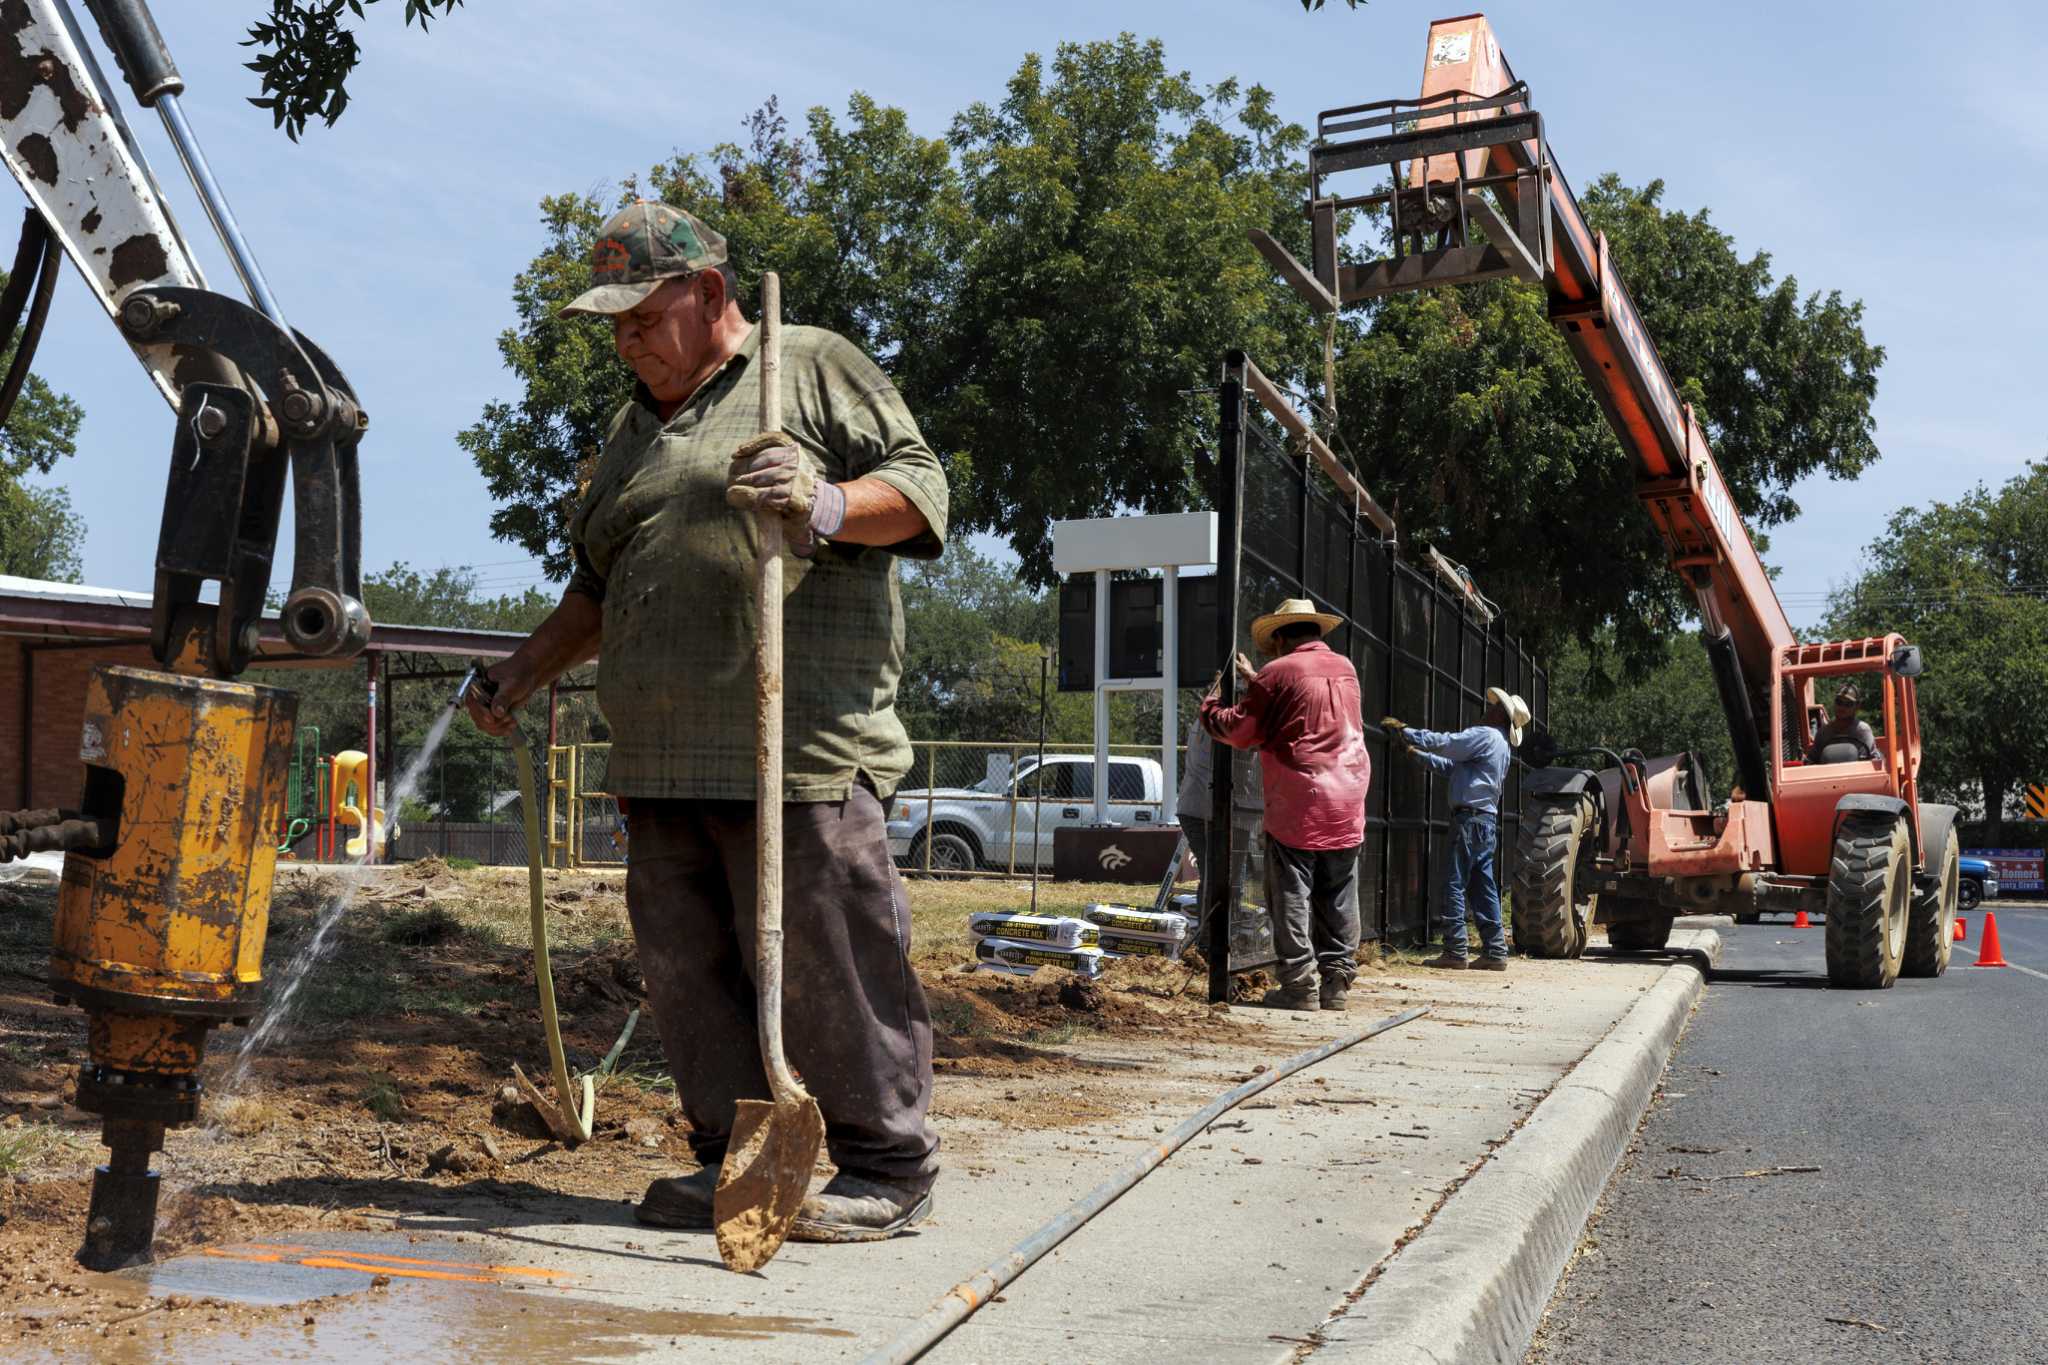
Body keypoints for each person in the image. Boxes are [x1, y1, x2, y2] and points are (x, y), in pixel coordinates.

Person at [464, 201, 948, 1243]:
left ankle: (884, 1166)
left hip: (800, 747)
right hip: (660, 759)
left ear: (711, 295)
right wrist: (514, 677)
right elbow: (597, 590)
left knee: (824, 958)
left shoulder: (808, 366)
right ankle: (743, 1169)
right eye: (614, 323)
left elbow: (920, 491)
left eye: (645, 313)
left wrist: (821, 502)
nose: (628, 338)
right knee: (688, 970)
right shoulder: (634, 430)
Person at [1200, 598, 1370, 1012]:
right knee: (1340, 893)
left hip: (1300, 799)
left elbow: (1242, 731)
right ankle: (1336, 984)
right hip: (1349, 795)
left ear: (1279, 637)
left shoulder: (1276, 673)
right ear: (1314, 633)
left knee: (1292, 892)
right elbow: (1304, 703)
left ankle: (1299, 986)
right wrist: (1257, 680)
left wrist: (1210, 708)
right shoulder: (1345, 668)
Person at [1386, 687, 1530, 972]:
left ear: (1501, 713)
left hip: (1468, 821)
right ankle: (1495, 951)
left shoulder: (1484, 735)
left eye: (1493, 706)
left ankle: (1455, 950)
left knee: (1454, 884)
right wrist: (1415, 753)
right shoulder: (1501, 746)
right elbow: (1451, 767)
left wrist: (1408, 733)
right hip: (1486, 823)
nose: (1487, 709)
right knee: (1483, 887)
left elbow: (1446, 744)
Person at [1806, 684, 1877, 763]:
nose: (1842, 707)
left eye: (1848, 704)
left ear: (1857, 706)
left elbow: (1871, 761)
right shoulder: (1823, 733)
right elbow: (1812, 761)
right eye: (1839, 702)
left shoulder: (1863, 731)